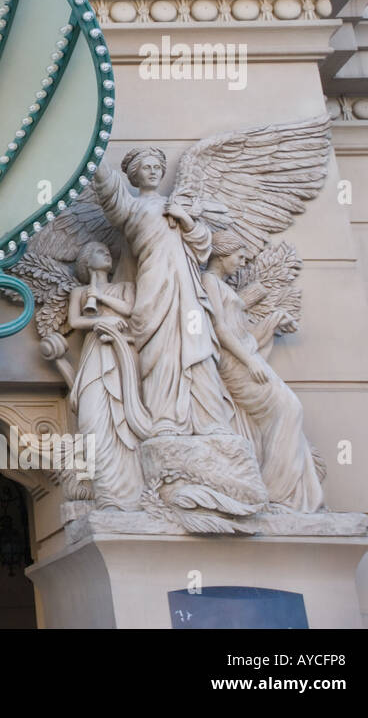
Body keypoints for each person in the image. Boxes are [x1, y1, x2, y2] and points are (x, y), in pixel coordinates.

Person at [94, 147, 234, 436]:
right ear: (134, 176)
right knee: (160, 348)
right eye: (147, 167)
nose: (154, 171)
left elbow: (201, 249)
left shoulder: (177, 206)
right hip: (154, 286)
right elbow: (110, 193)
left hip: (187, 287)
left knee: (196, 345)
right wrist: (94, 156)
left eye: (157, 166)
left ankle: (209, 419)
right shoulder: (130, 208)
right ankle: (164, 416)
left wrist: (186, 220)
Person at [202, 232, 326, 512]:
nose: (243, 263)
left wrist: (273, 321)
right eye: (239, 257)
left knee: (288, 411)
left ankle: (290, 493)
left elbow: (240, 333)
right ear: (222, 255)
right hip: (235, 364)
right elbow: (220, 330)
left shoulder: (223, 287)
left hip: (244, 357)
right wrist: (250, 361)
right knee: (289, 408)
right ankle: (279, 493)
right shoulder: (209, 282)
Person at [64, 242, 146, 510]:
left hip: (122, 356)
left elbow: (131, 310)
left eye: (108, 251)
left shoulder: (124, 288)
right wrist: (100, 321)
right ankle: (106, 492)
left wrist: (100, 297)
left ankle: (128, 495)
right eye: (100, 252)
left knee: (122, 417)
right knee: (91, 419)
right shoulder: (79, 292)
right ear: (87, 262)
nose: (107, 254)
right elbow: (75, 322)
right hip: (95, 354)